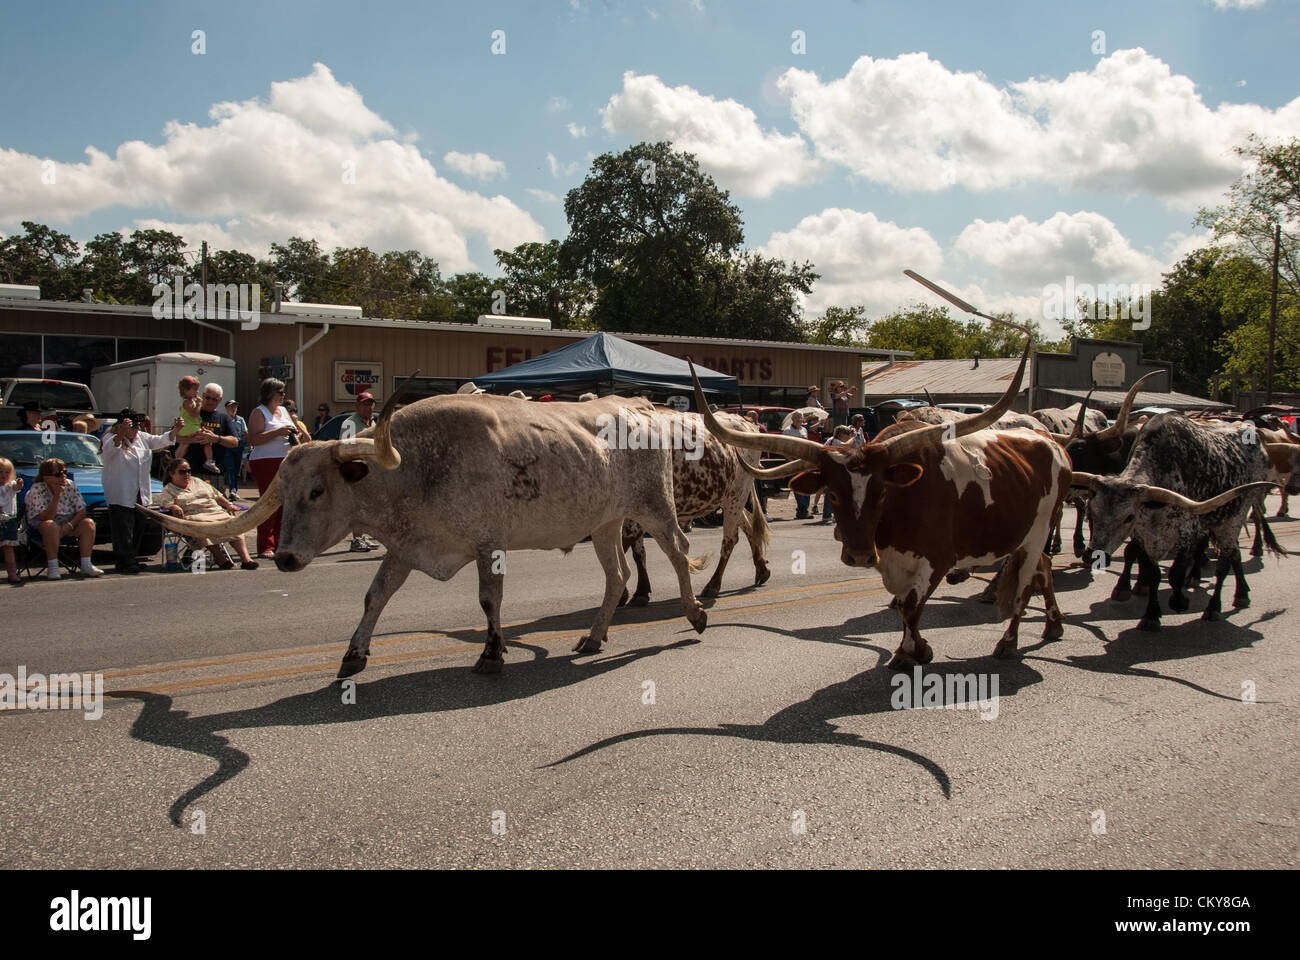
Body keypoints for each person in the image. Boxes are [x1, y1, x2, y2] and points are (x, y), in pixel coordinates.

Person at [101, 409, 181, 574]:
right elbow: (109, 449)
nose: (137, 431)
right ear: (122, 426)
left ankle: (132, 558)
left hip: (139, 491)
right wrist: (121, 434)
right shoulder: (111, 438)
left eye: (138, 427)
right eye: (133, 427)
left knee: (138, 527)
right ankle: (123, 561)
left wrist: (175, 430)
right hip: (120, 491)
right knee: (123, 529)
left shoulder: (142, 438)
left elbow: (160, 441)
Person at [155, 458, 259, 569]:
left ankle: (246, 559)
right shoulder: (169, 489)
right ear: (172, 474)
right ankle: (220, 558)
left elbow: (217, 496)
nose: (187, 474)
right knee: (201, 525)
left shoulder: (197, 481)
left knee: (232, 522)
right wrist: (173, 506)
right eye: (182, 471)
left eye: (189, 471)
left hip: (214, 511)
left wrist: (228, 504)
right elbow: (164, 504)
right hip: (193, 515)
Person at [245, 378, 297, 558]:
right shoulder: (259, 412)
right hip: (264, 461)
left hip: (284, 460)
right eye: (280, 392)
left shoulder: (283, 411)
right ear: (269, 393)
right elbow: (254, 439)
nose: (283, 396)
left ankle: (280, 542)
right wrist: (277, 432)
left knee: (284, 502)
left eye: (284, 392)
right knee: (269, 502)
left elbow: (292, 429)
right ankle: (265, 545)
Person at [25, 458, 101, 579]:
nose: (63, 476)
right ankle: (53, 567)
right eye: (58, 474)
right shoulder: (36, 490)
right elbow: (46, 517)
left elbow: (82, 510)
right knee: (50, 525)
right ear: (46, 477)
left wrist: (69, 526)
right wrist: (57, 495)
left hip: (68, 523)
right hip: (44, 527)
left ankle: (86, 564)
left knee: (88, 523)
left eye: (64, 472)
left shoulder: (70, 485)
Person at [184, 382, 243, 493]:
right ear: (202, 395)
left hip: (215, 474)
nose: (210, 401)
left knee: (215, 506)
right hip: (190, 472)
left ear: (220, 400)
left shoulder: (223, 418)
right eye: (207, 397)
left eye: (214, 399)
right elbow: (176, 437)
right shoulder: (192, 413)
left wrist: (215, 438)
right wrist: (192, 438)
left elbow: (235, 442)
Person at [341, 393, 380, 552]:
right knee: (358, 505)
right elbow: (346, 447)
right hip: (357, 469)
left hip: (372, 468)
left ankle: (362, 536)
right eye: (364, 404)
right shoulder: (350, 423)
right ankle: (356, 539)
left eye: (370, 404)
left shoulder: (373, 422)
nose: (368, 408)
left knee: (369, 506)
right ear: (357, 406)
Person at [173, 376, 218, 474]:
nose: (197, 392)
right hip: (190, 426)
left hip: (189, 427)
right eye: (194, 389)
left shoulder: (190, 401)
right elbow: (195, 414)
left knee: (185, 444)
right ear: (185, 390)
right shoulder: (186, 402)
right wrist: (199, 404)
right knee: (207, 438)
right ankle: (209, 461)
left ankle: (177, 460)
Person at [818, 426, 855, 524]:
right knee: (832, 493)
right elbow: (845, 447)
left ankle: (832, 514)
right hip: (834, 471)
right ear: (841, 434)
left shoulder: (830, 440)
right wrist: (853, 437)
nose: (848, 436)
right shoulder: (836, 441)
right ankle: (827, 515)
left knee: (833, 493)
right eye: (847, 434)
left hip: (831, 470)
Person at [783, 412, 812, 519]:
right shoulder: (787, 431)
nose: (799, 419)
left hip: (804, 461)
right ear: (792, 419)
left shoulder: (804, 430)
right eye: (797, 417)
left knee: (807, 485)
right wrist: (791, 462)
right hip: (793, 461)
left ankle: (804, 510)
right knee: (798, 485)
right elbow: (784, 449)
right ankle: (802, 510)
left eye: (801, 417)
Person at [0, 457, 22, 584]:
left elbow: (17, 487)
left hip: (8, 521)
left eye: (7, 472)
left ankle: (12, 573)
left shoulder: (10, 486)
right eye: (0, 472)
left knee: (8, 548)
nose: (3, 475)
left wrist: (19, 484)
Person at [224, 400, 248, 498]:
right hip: (228, 446)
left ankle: (234, 489)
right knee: (230, 467)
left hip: (239, 445)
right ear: (226, 409)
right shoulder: (224, 419)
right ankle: (232, 490)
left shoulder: (240, 419)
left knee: (237, 469)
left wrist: (249, 444)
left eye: (235, 407)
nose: (233, 409)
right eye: (231, 407)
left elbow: (245, 433)